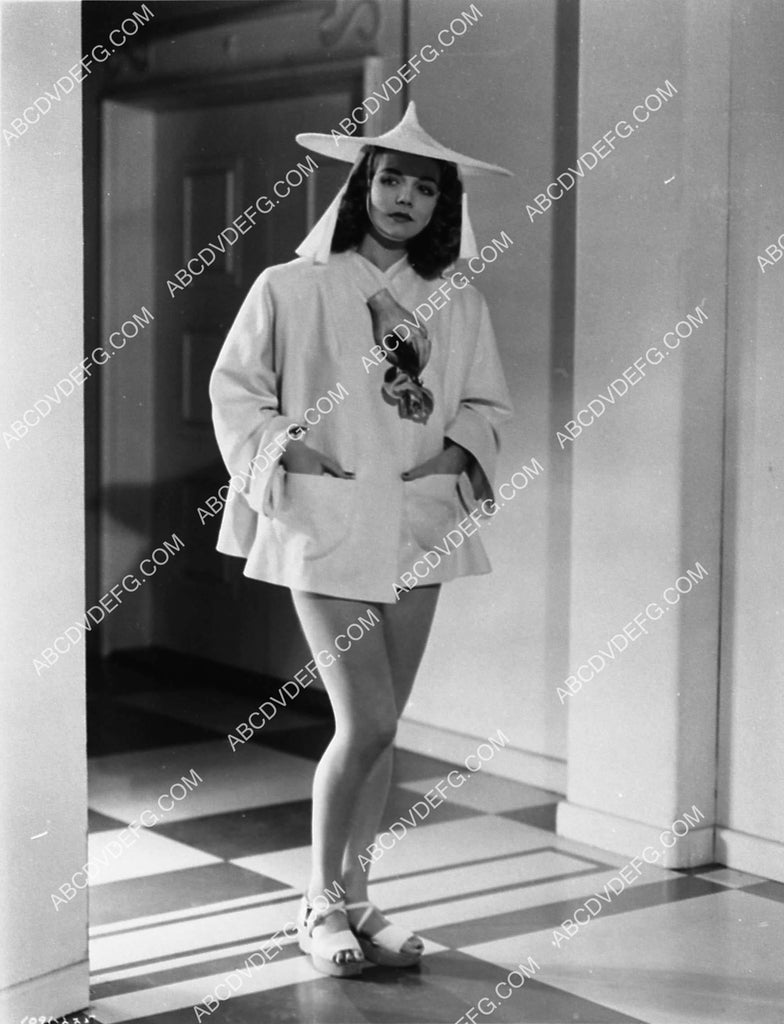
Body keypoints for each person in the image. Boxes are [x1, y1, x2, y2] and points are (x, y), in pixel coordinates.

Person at [209, 102, 513, 977]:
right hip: (327, 519)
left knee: (383, 729)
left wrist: (451, 458)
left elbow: (487, 404)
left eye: (426, 188)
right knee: (366, 718)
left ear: (443, 204)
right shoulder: (289, 287)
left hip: (417, 521)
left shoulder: (458, 300)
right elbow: (236, 391)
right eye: (391, 180)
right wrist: (292, 449)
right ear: (361, 187)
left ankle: (359, 897)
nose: (406, 199)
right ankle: (317, 901)